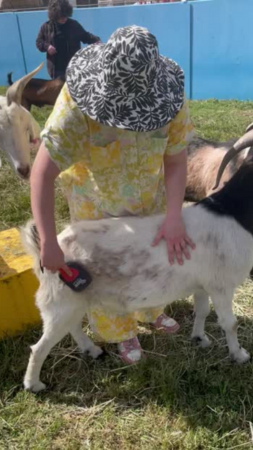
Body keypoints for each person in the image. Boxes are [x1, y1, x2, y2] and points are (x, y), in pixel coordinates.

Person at [30, 25, 196, 365]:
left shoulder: (170, 97)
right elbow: (42, 173)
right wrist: (48, 241)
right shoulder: (75, 105)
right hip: (96, 205)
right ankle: (120, 331)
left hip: (150, 200)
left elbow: (176, 160)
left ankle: (151, 310)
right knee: (107, 269)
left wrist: (175, 215)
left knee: (151, 259)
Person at [35, 0, 100, 80]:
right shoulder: (46, 27)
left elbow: (85, 36)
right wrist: (47, 47)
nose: (64, 18)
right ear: (54, 15)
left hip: (74, 66)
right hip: (57, 69)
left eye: (66, 16)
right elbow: (39, 42)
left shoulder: (74, 24)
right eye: (61, 16)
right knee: (61, 91)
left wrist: (95, 40)